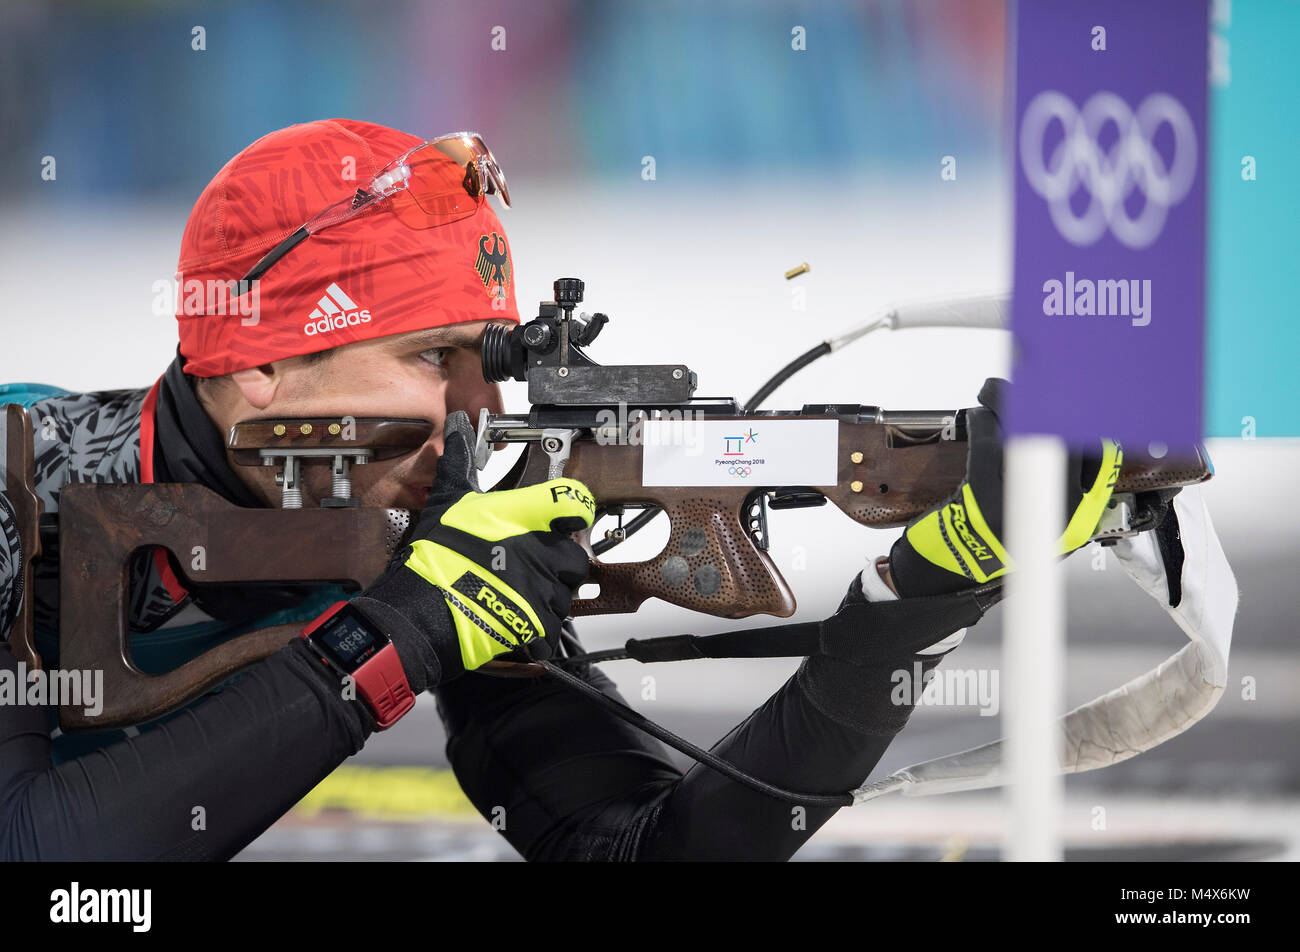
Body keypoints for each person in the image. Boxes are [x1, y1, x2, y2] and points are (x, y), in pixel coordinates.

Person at [0, 119, 1117, 861]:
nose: (476, 409)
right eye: (435, 359)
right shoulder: (22, 489)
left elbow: (642, 851)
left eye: (493, 365)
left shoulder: (423, 524)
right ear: (260, 367)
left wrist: (917, 599)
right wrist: (392, 644)